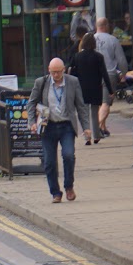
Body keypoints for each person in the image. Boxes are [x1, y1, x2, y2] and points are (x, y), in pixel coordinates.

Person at [27, 57, 93, 203]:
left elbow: (81, 106)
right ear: (49, 71)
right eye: (53, 72)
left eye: (58, 72)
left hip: (66, 126)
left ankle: (69, 186)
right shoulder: (41, 82)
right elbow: (31, 103)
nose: (56, 75)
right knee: (49, 162)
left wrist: (86, 127)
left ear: (64, 70)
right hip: (48, 126)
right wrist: (31, 122)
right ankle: (55, 193)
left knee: (68, 155)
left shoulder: (72, 82)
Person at [68, 33, 113, 145]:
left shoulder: (77, 57)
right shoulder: (98, 57)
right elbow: (104, 74)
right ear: (94, 43)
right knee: (94, 112)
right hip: (96, 87)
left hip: (81, 88)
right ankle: (96, 135)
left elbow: (72, 73)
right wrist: (110, 90)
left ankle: (87, 137)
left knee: (84, 113)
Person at [92, 16, 127, 136]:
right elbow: (121, 60)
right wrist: (123, 73)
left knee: (98, 103)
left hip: (93, 75)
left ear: (96, 26)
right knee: (106, 102)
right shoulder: (113, 40)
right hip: (109, 74)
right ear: (106, 26)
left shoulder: (90, 39)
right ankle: (96, 127)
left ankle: (103, 128)